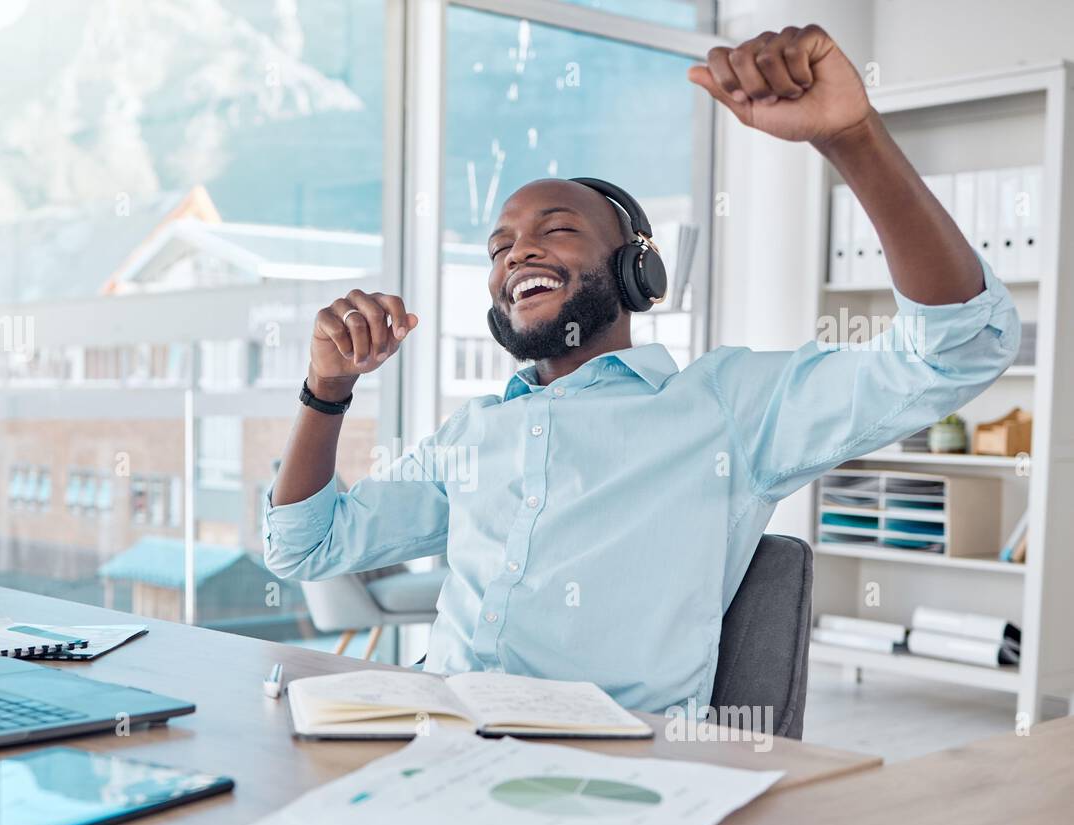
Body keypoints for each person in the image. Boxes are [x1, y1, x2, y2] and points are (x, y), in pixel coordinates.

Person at [263, 25, 1019, 712]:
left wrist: (853, 139)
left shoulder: (724, 407)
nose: (517, 253)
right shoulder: (474, 432)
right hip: (440, 734)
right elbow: (305, 544)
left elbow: (958, 347)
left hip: (606, 769)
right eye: (499, 248)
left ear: (637, 272)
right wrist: (326, 392)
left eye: (554, 231)